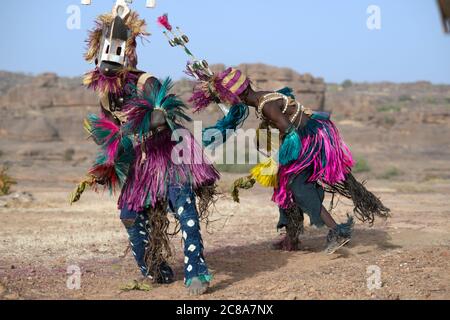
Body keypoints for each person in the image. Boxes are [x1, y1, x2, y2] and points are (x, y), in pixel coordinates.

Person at [76, 3, 219, 295]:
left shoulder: (146, 82)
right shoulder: (106, 99)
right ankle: (155, 269)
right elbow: (112, 139)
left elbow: (162, 115)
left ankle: (197, 271)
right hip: (142, 162)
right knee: (128, 214)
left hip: (170, 153)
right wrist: (108, 163)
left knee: (183, 207)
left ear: (129, 53)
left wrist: (138, 124)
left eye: (119, 51)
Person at [189, 67, 390, 254]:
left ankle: (338, 232)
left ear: (238, 96)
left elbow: (291, 134)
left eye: (227, 98)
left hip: (310, 139)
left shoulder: (266, 106)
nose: (228, 103)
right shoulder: (261, 99)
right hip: (307, 134)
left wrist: (276, 160)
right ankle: (292, 238)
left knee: (299, 187)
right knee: (283, 183)